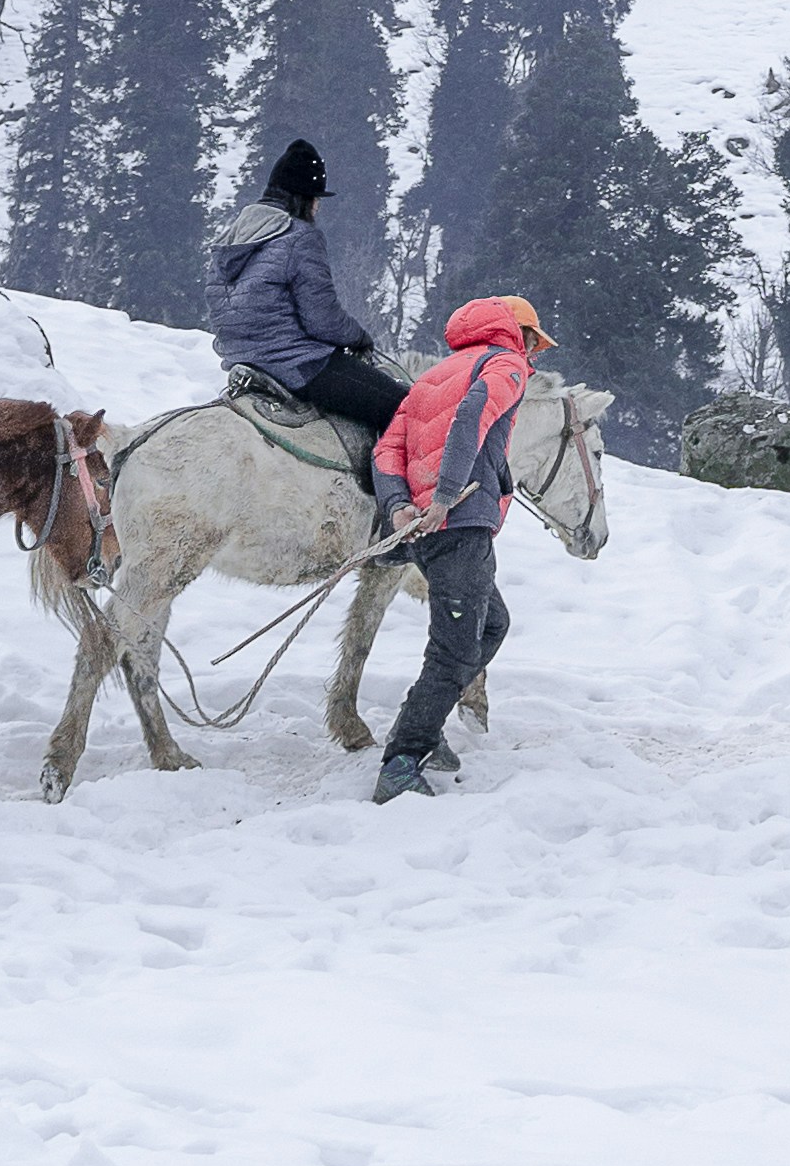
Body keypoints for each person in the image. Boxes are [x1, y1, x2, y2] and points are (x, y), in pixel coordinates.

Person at [368, 291, 550, 803]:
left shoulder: (434, 376)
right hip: (458, 525)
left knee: (493, 623)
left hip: (426, 529)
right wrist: (447, 495)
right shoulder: (506, 364)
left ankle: (424, 723)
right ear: (520, 334)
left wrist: (398, 506)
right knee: (455, 648)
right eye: (533, 341)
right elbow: (472, 416)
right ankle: (403, 760)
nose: (534, 354)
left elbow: (388, 447)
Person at [206, 136, 407, 448]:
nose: (317, 207)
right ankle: (397, 497)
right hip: (299, 367)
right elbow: (321, 318)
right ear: (303, 198)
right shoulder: (300, 237)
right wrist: (358, 337)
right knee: (406, 408)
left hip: (241, 364)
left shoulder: (231, 239)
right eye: (316, 199)